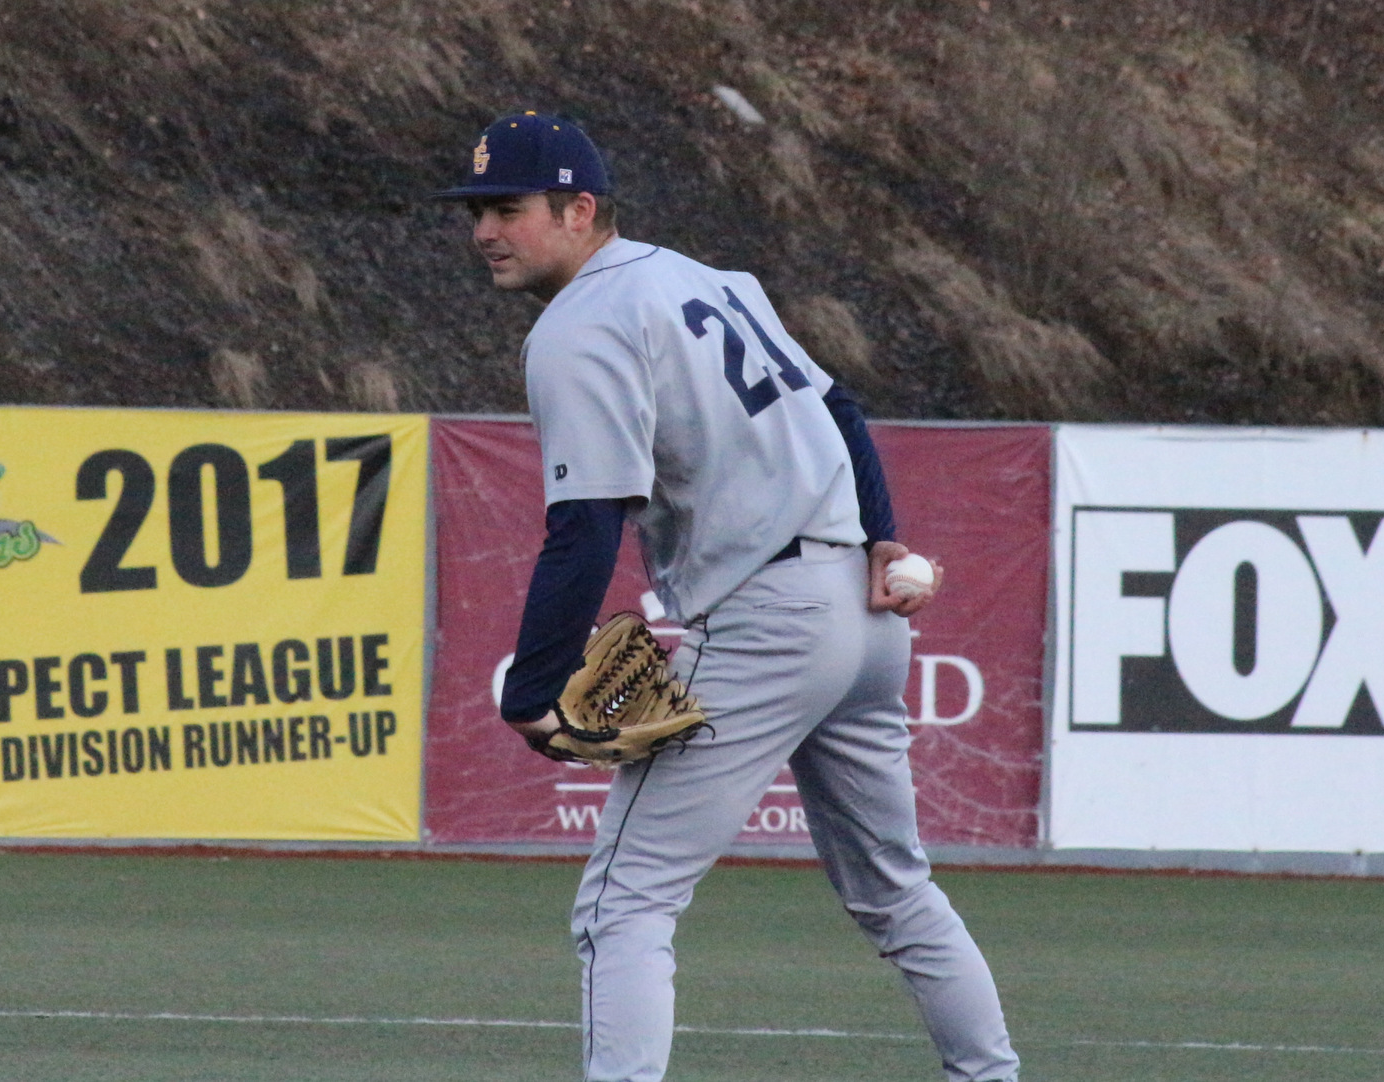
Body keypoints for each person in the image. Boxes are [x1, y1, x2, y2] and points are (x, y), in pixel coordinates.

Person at [433, 111, 1020, 1082]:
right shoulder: (706, 280)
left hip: (770, 617)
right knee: (895, 888)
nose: (485, 230)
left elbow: (587, 524)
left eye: (508, 208)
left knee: (625, 901)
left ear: (579, 209)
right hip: (862, 617)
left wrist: (532, 686)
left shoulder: (581, 325)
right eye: (477, 210)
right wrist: (883, 534)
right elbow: (840, 407)